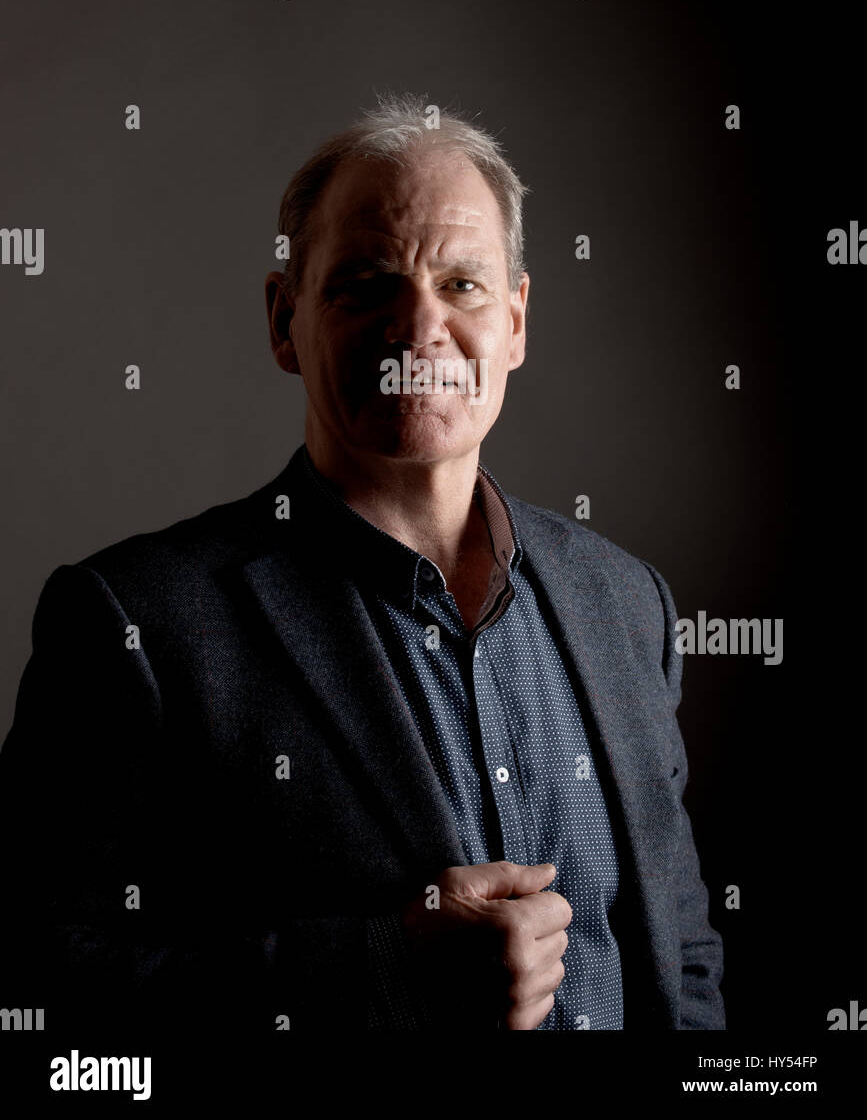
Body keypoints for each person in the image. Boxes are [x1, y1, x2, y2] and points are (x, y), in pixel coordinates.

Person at [0, 94, 724, 1034]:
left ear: (515, 321)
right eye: (365, 283)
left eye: (461, 284)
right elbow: (35, 992)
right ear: (282, 318)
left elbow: (682, 956)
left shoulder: (625, 603)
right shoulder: (133, 625)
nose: (416, 328)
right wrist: (381, 970)